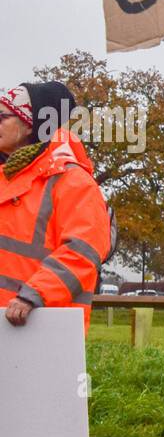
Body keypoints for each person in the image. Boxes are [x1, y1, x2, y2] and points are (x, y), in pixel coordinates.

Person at [0, 81, 113, 333]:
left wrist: (32, 295)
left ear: (28, 124)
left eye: (2, 116)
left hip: (42, 327)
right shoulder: (7, 176)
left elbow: (83, 251)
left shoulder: (72, 181)